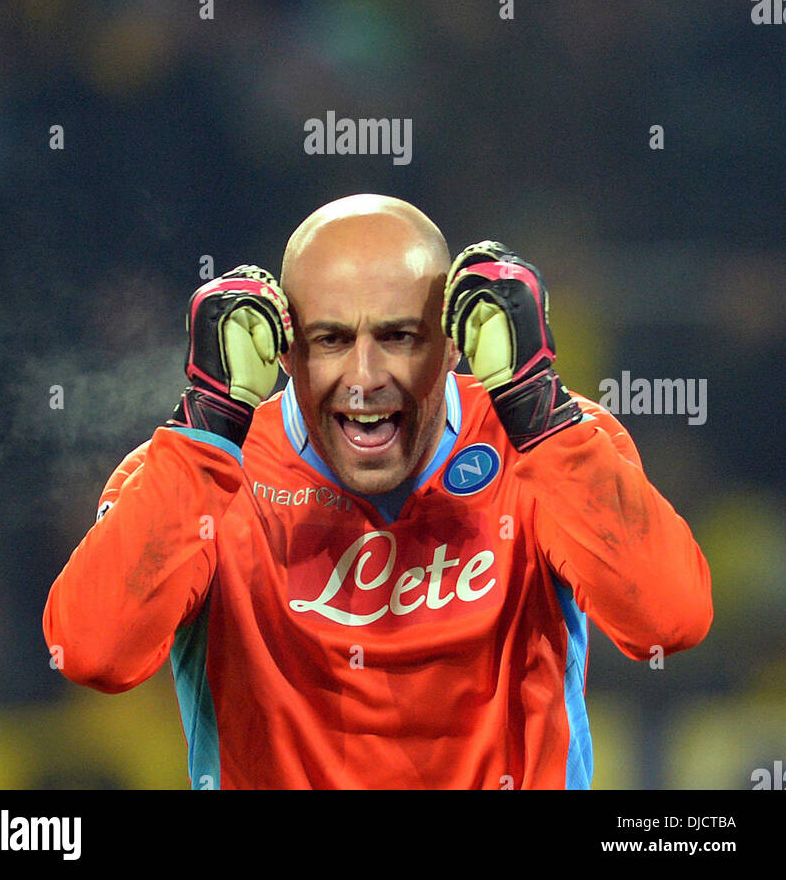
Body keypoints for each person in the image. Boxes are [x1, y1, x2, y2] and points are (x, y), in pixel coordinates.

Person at [43, 193, 712, 789]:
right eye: (331, 339)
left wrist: (536, 409)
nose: (364, 378)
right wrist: (210, 426)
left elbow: (670, 620)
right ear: (284, 350)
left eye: (398, 337)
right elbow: (91, 653)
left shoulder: (547, 444)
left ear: (454, 342)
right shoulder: (198, 471)